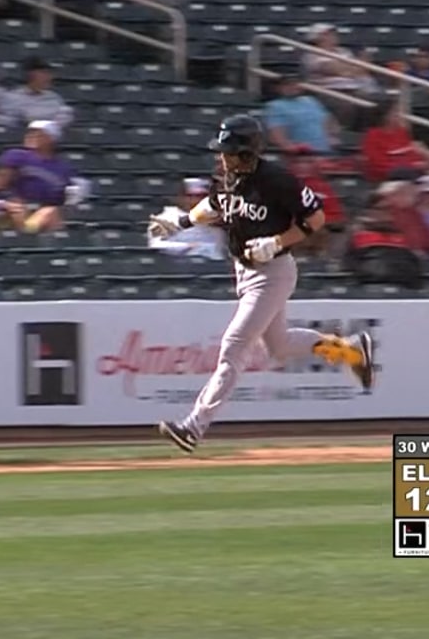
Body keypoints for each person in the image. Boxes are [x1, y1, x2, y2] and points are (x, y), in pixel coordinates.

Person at [146, 115, 374, 454]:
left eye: (231, 151)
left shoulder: (277, 180)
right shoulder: (227, 177)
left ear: (249, 152)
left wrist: (279, 242)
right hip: (245, 270)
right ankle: (351, 350)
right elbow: (214, 205)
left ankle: (194, 425)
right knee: (279, 347)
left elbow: (316, 218)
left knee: (234, 346)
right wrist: (180, 222)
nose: (224, 157)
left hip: (273, 272)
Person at [360, 98, 429, 182]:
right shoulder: (372, 135)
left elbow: (410, 154)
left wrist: (421, 163)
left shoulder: (401, 132)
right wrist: (412, 166)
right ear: (385, 116)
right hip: (386, 177)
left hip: (408, 171)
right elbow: (377, 163)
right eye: (395, 112)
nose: (399, 115)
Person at [148, 177, 224, 260]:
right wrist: (188, 247)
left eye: (203, 196)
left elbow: (221, 250)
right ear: (182, 196)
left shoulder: (216, 218)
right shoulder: (165, 217)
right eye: (193, 196)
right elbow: (155, 244)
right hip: (174, 267)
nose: (198, 200)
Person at [264, 75, 337, 155]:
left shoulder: (311, 100)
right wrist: (287, 146)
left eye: (295, 83)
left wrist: (331, 136)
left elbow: (328, 119)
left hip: (325, 151)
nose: (292, 87)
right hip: (301, 155)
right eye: (287, 84)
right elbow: (275, 135)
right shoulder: (275, 106)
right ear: (279, 88)